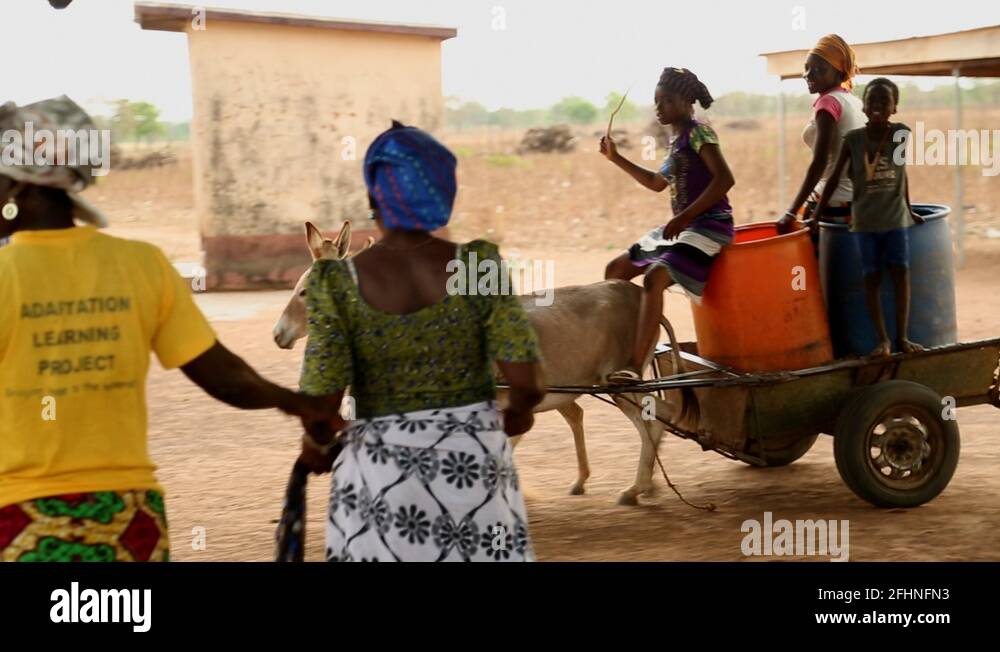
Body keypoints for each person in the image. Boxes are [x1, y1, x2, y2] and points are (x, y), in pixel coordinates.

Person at [0, 96, 338, 562]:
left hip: (20, 516)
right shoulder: (141, 265)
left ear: (19, 183)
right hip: (129, 518)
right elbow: (223, 377)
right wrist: (302, 405)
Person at [297, 121, 546, 562]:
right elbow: (527, 384)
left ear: (374, 197)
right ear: (443, 194)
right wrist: (516, 418)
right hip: (473, 474)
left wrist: (318, 447)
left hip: (379, 482)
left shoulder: (335, 281)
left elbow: (320, 409)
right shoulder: (477, 265)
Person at [600, 67, 735, 383]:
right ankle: (630, 346)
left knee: (654, 278)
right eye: (656, 101)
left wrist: (684, 217)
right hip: (683, 226)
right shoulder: (676, 141)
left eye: (667, 101)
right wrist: (615, 157)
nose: (659, 108)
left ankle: (635, 365)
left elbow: (725, 179)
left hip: (709, 227)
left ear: (687, 102)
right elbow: (656, 182)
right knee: (615, 270)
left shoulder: (699, 132)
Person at [811, 78, 925, 356]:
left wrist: (908, 210)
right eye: (872, 100)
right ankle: (883, 340)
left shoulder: (901, 134)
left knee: (901, 275)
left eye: (883, 101)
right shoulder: (854, 140)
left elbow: (901, 176)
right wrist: (815, 215)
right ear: (863, 106)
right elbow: (834, 176)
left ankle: (903, 338)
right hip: (865, 222)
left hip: (896, 220)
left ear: (894, 107)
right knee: (871, 278)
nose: (877, 106)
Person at [777, 34, 866, 240]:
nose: (809, 74)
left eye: (820, 69)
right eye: (807, 67)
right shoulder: (852, 101)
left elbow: (820, 163)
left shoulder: (828, 104)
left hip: (832, 201)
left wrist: (791, 211)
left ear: (839, 73)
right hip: (857, 200)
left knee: (821, 267)